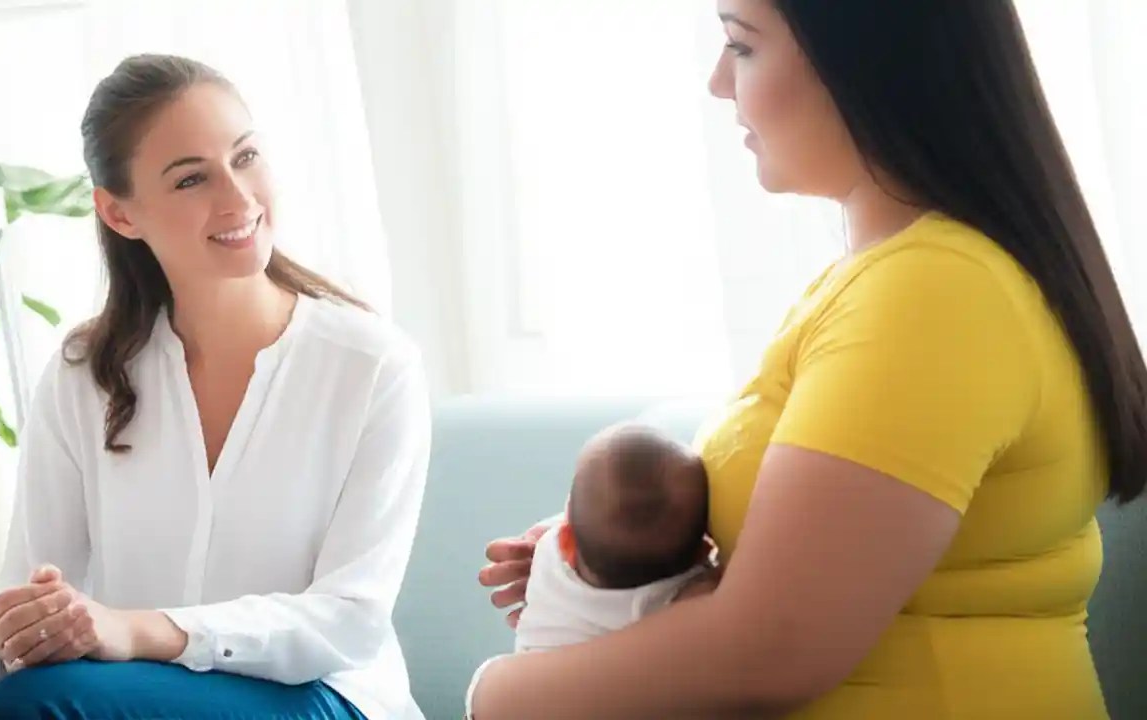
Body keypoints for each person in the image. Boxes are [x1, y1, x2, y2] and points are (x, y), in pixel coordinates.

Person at [469, 1, 1147, 718]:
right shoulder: (896, 280)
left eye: (741, 46)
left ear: (862, 59)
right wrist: (614, 566)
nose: (718, 82)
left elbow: (772, 647)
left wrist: (495, 694)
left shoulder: (932, 289)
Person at [0, 54, 431, 720]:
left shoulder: (372, 366)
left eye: (246, 157)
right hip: (130, 700)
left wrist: (137, 630)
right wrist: (30, 628)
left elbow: (349, 621)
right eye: (191, 179)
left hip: (326, 698)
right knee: (24, 694)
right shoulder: (83, 374)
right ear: (119, 214)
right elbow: (30, 597)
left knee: (37, 705)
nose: (238, 199)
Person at [513, 424, 715, 654]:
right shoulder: (675, 603)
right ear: (705, 547)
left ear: (566, 537)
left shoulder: (548, 551)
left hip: (529, 665)